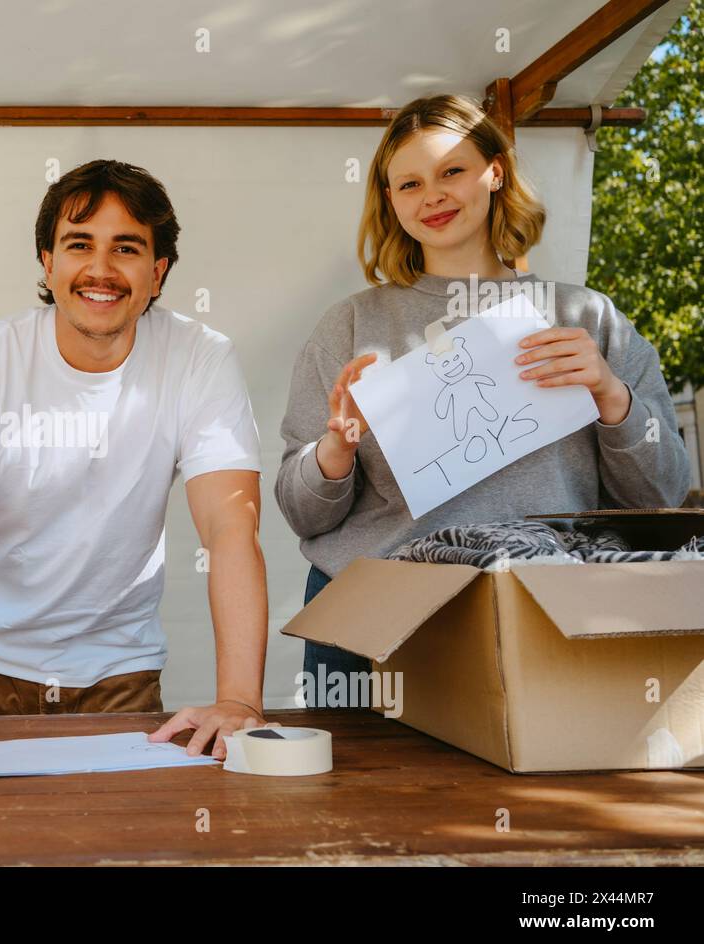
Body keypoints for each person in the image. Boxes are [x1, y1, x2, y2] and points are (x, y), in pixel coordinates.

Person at [274, 94, 691, 699]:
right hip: (374, 623)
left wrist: (610, 394)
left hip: (548, 612)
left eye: (451, 171)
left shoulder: (584, 316)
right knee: (369, 795)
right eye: (409, 183)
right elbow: (299, 511)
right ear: (390, 201)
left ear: (495, 171)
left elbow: (664, 492)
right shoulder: (348, 328)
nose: (432, 196)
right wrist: (334, 448)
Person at [0, 160, 267, 761]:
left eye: (127, 248)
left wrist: (241, 700)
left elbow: (231, 528)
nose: (100, 269)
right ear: (48, 262)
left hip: (121, 676)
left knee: (121, 851)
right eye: (79, 244)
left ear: (158, 272)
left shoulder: (201, 359)